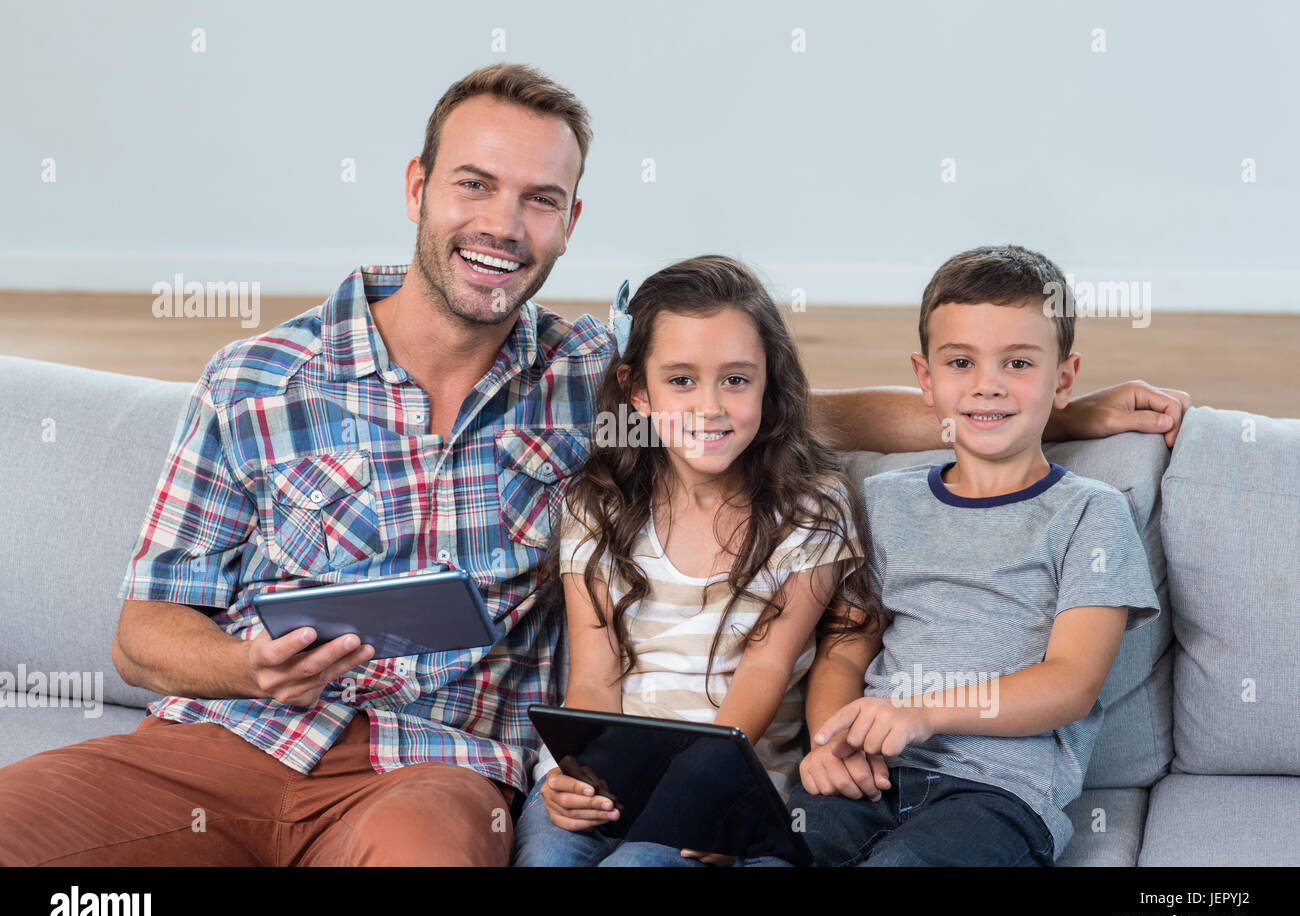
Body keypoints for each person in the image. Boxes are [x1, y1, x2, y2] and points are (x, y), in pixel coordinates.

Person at [0, 59, 1187, 866]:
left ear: (569, 222)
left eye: (539, 199)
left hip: (431, 770)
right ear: (419, 189)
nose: (501, 222)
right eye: (474, 184)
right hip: (226, 744)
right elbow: (141, 633)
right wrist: (248, 665)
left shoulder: (593, 375)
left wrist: (1053, 419)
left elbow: (787, 408)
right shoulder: (255, 378)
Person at [788, 245, 1162, 866]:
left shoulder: (1090, 514)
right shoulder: (881, 502)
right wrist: (830, 739)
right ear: (926, 377)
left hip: (997, 794)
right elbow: (846, 645)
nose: (987, 385)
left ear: (1063, 379)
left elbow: (1070, 682)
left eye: (1017, 362)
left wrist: (921, 714)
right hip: (870, 775)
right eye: (961, 362)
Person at [512, 255, 886, 866]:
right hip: (613, 774)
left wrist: (705, 793)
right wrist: (572, 773)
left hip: (729, 781)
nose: (709, 407)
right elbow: (594, 677)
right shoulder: (597, 506)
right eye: (681, 380)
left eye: (736, 380)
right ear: (638, 391)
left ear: (770, 384)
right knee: (546, 857)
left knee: (638, 863)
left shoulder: (812, 509)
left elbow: (766, 669)